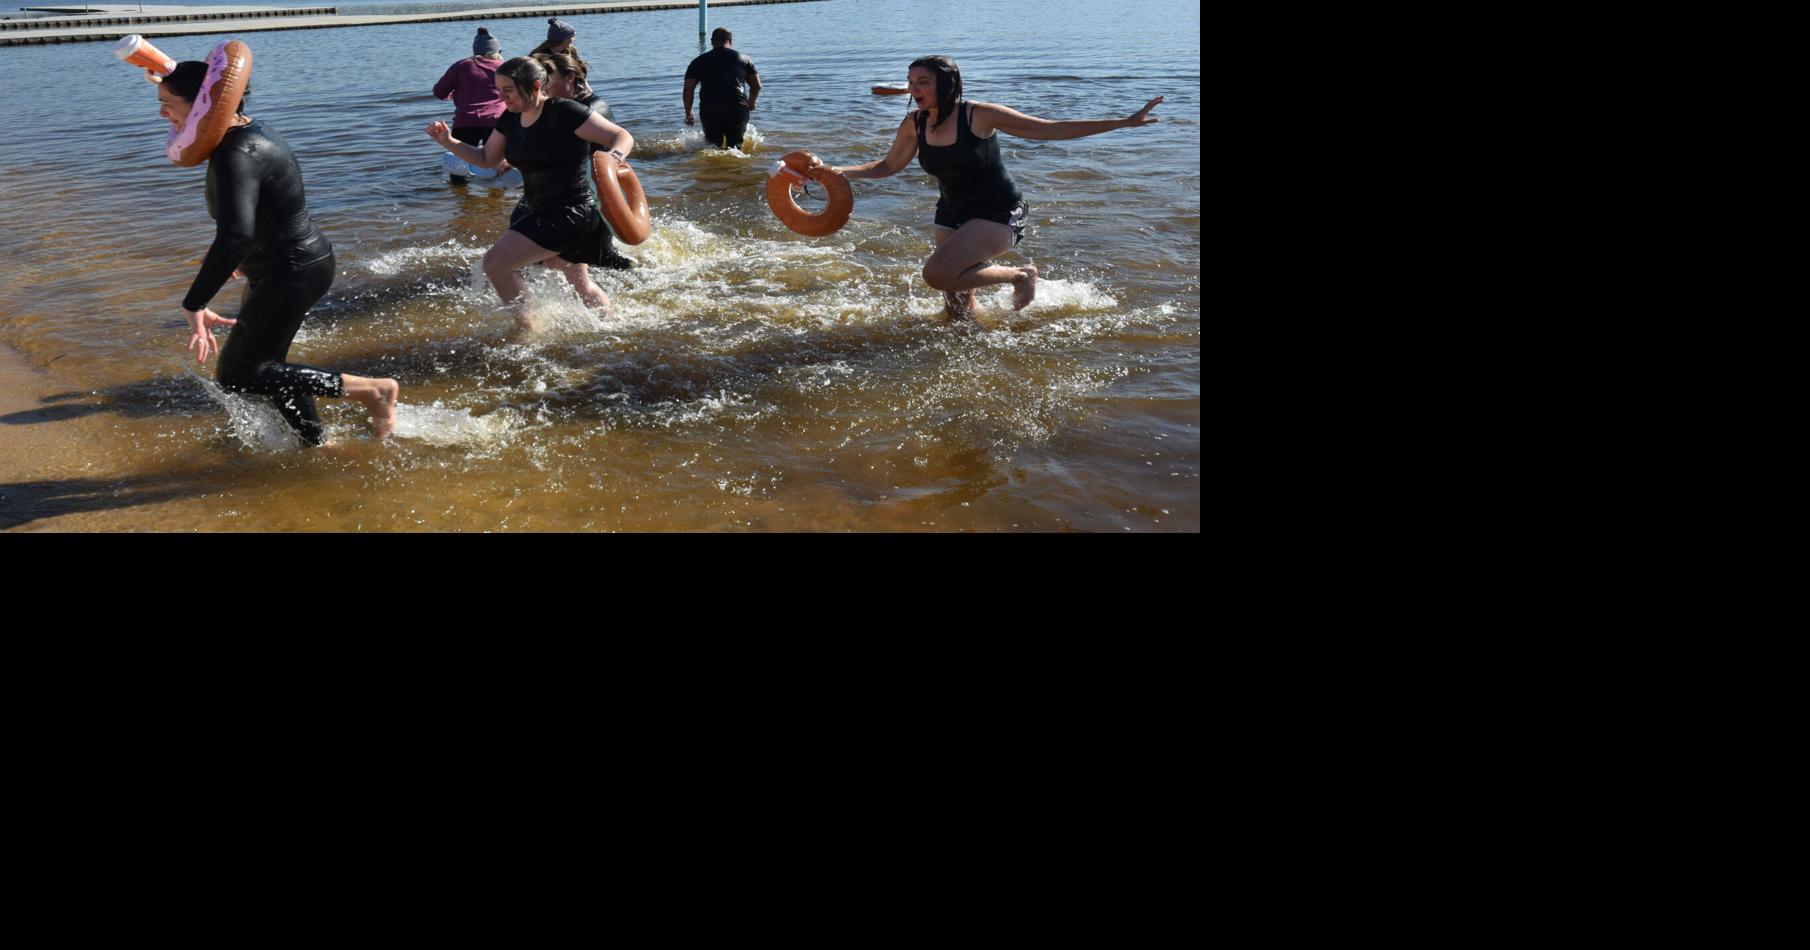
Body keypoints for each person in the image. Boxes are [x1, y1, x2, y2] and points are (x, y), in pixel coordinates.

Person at [157, 62, 399, 444]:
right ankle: (314, 441)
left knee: (239, 374)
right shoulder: (245, 131)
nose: (161, 113)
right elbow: (251, 220)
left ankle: (374, 391)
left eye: (168, 102)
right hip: (286, 266)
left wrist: (195, 302)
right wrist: (228, 257)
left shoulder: (236, 152)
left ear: (203, 103)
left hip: (293, 269)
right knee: (267, 366)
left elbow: (236, 234)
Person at [826, 56, 1162, 319]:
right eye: (911, 82)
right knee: (956, 307)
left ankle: (1020, 275)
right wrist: (832, 172)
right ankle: (967, 344)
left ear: (945, 84)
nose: (913, 88)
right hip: (951, 212)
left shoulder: (979, 115)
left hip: (998, 211)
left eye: (923, 82)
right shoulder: (915, 123)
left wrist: (1122, 122)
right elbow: (887, 166)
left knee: (938, 274)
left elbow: (1047, 129)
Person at [425, 56, 635, 333]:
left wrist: (612, 159)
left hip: (570, 212)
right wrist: (449, 142)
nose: (501, 97)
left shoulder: (566, 113)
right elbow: (487, 158)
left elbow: (621, 136)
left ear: (535, 86)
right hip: (536, 208)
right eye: (498, 91)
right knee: (578, 282)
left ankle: (530, 330)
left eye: (507, 91)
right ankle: (615, 325)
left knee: (495, 264)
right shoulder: (510, 119)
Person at [535, 52, 633, 269]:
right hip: (572, 195)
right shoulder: (562, 107)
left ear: (570, 77)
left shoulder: (590, 110)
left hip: (596, 195)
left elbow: (621, 137)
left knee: (604, 259)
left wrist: (615, 158)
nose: (543, 89)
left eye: (548, 81)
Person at [433, 27, 507, 182]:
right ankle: (497, 200)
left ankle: (461, 201)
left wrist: (454, 93)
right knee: (497, 165)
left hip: (465, 121)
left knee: (458, 166)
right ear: (498, 51)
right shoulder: (505, 67)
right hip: (496, 122)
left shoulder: (461, 66)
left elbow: (439, 92)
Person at [683, 27, 760, 150]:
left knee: (713, 147)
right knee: (735, 148)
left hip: (710, 109)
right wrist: (751, 102)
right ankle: (735, 169)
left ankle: (713, 167)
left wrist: (689, 112)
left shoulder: (698, 61)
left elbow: (688, 89)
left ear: (712, 41)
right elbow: (756, 85)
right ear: (731, 40)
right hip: (737, 107)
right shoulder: (744, 59)